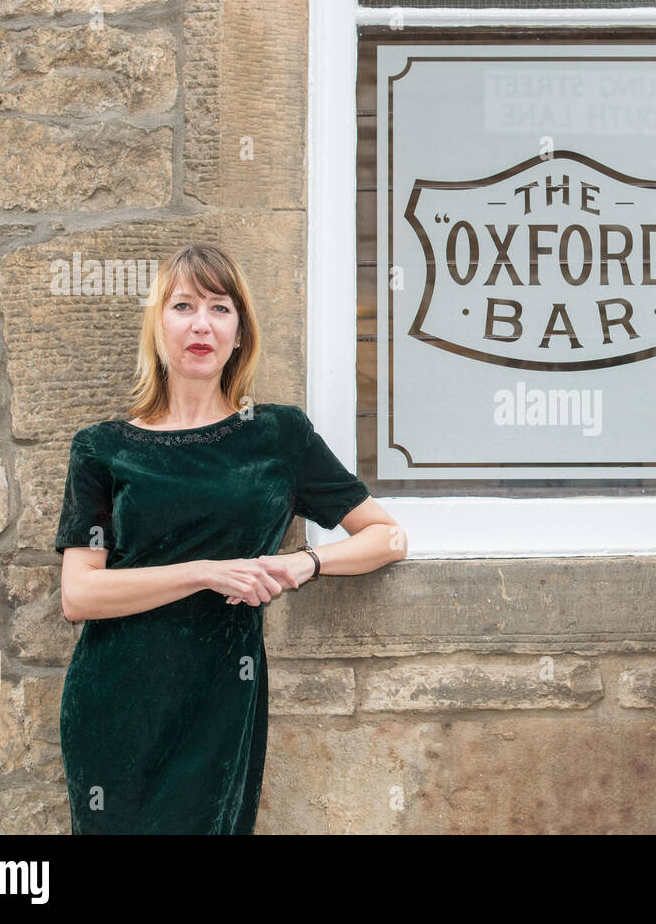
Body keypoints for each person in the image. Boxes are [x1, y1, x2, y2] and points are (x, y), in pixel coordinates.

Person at [54, 244, 407, 834]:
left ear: (239, 332)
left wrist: (305, 563)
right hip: (116, 704)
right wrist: (205, 571)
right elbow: (79, 596)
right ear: (158, 326)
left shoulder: (277, 435)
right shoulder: (102, 448)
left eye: (220, 308)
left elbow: (388, 538)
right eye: (183, 305)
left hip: (221, 701)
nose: (201, 323)